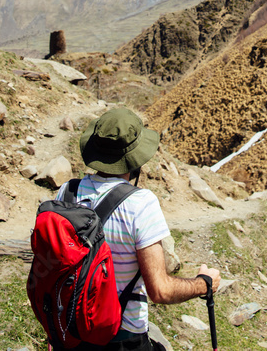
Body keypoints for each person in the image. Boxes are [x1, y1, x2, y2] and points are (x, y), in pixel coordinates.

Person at [53, 106, 221, 351]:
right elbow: (160, 291)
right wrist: (204, 284)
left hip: (71, 331)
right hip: (122, 338)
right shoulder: (140, 204)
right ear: (134, 159)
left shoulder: (66, 192)